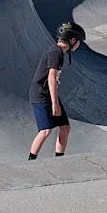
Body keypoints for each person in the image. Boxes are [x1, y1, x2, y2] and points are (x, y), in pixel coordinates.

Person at [28, 22, 85, 160]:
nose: (79, 44)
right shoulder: (55, 53)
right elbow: (51, 77)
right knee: (45, 130)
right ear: (72, 40)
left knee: (65, 127)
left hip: (48, 94)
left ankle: (59, 159)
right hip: (40, 95)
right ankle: (30, 160)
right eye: (79, 41)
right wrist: (55, 103)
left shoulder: (58, 52)